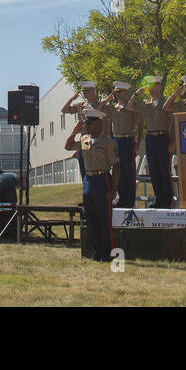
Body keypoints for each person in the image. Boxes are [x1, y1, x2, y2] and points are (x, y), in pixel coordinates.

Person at [65, 107, 119, 262]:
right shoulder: (84, 140)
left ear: (99, 124)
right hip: (88, 180)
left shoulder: (108, 142)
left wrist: (113, 190)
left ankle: (107, 254)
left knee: (104, 220)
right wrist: (75, 132)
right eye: (86, 123)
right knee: (91, 219)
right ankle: (96, 253)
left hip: (102, 179)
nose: (87, 126)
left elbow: (116, 166)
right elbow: (68, 146)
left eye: (89, 123)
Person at [137, 75, 184, 207]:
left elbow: (173, 123)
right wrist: (137, 93)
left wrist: (173, 141)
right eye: (149, 86)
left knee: (164, 170)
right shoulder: (147, 104)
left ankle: (167, 200)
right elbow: (130, 106)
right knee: (154, 170)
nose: (151, 89)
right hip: (151, 138)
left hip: (163, 137)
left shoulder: (166, 103)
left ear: (159, 86)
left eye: (153, 86)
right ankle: (159, 199)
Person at [101, 81, 142, 208]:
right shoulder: (112, 107)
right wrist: (108, 98)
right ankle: (122, 198)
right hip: (116, 141)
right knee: (117, 170)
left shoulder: (132, 107)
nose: (118, 95)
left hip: (128, 139)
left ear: (125, 92)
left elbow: (140, 124)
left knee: (128, 172)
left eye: (120, 92)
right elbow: (98, 109)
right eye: (116, 92)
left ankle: (129, 201)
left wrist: (138, 142)